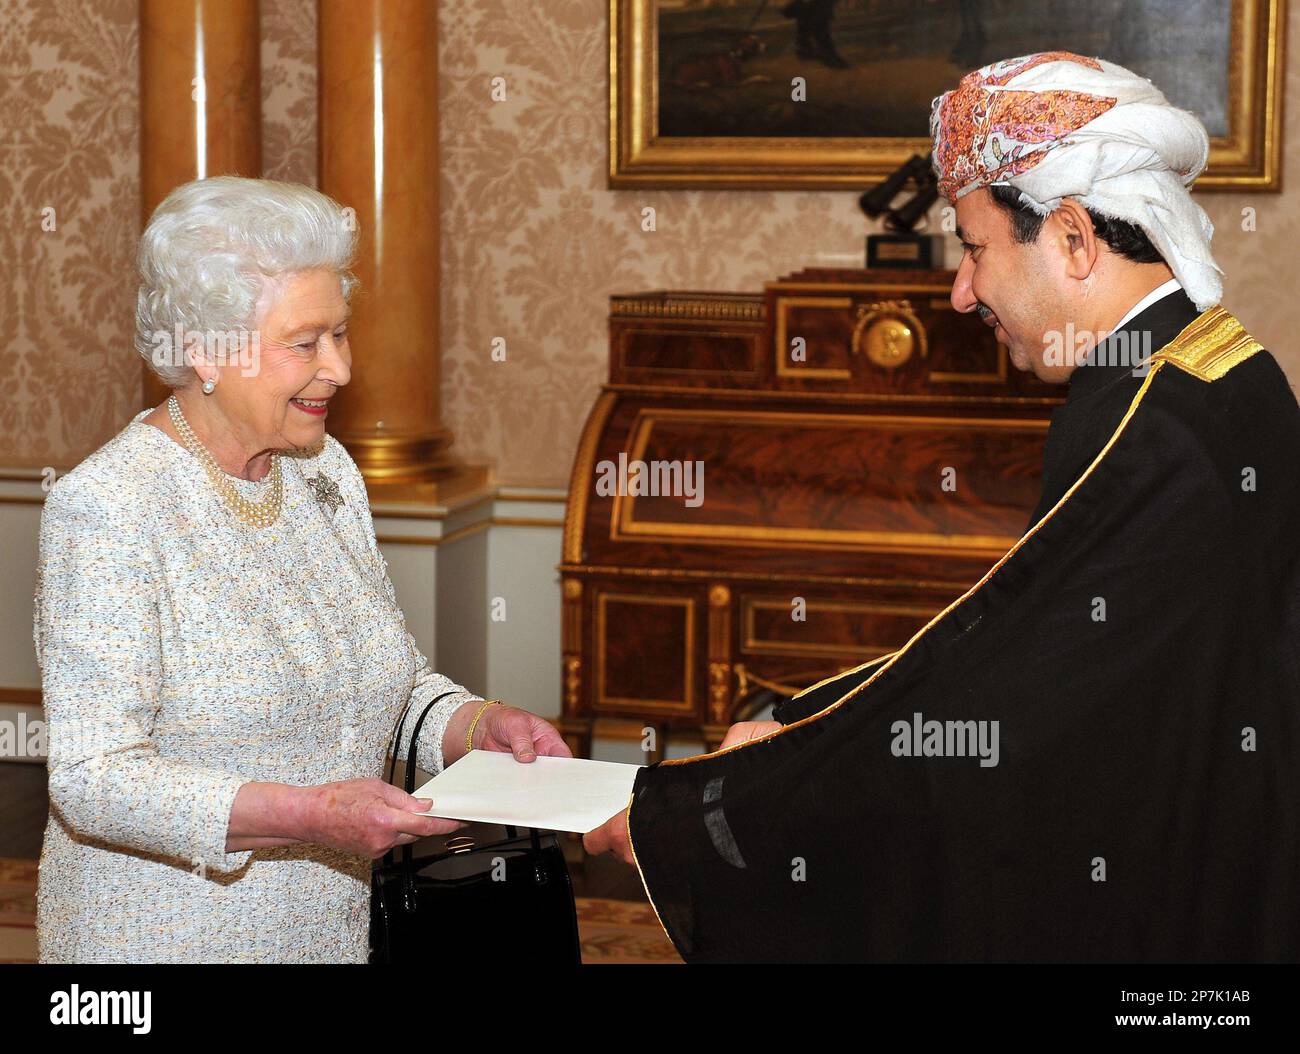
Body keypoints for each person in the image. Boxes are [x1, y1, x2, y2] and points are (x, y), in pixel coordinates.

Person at [585, 52, 1300, 962]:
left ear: (1075, 239)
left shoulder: (1137, 423)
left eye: (973, 248)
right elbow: (1013, 649)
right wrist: (799, 726)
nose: (961, 293)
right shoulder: (1214, 367)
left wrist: (726, 799)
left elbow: (1005, 716)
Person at [34, 176, 570, 963]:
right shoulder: (111, 507)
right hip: (166, 938)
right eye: (305, 342)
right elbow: (93, 777)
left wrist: (476, 726)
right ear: (206, 351)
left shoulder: (323, 472)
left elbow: (382, 682)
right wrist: (311, 815)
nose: (340, 369)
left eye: (341, 334)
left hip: (330, 931)